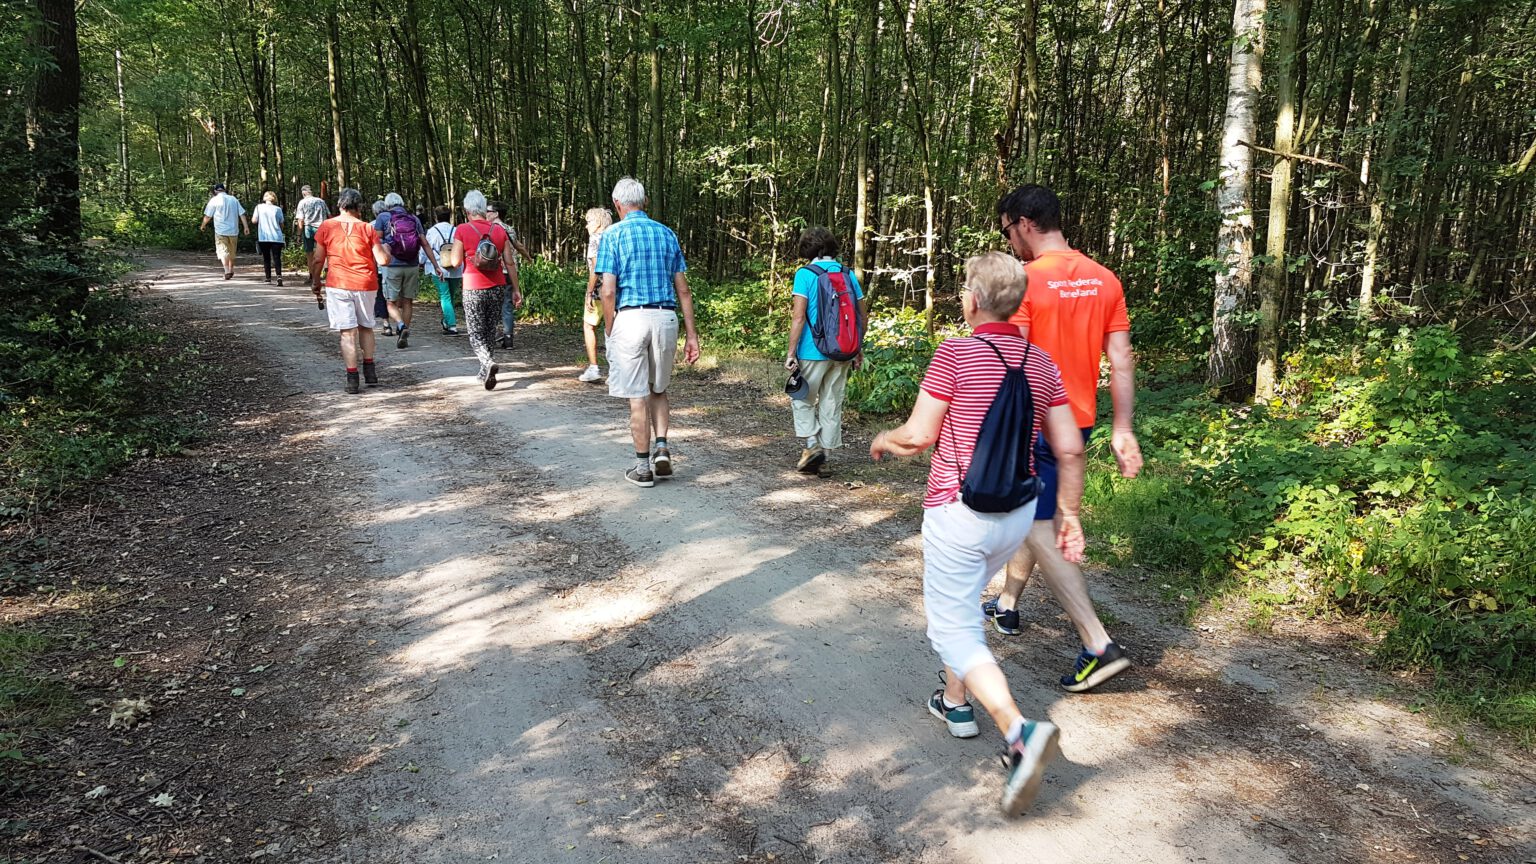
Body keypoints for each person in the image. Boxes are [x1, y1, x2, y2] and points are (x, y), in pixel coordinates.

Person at [870, 251, 1084, 817]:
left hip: (959, 511)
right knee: (964, 604)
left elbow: (919, 436)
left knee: (954, 628)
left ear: (972, 300)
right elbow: (1069, 446)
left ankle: (1019, 732)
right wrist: (1071, 514)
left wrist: (884, 439)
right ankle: (956, 703)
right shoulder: (1041, 362)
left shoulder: (956, 352)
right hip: (1017, 513)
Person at [983, 183, 1143, 693]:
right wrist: (1123, 428)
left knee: (1034, 522)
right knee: (1042, 514)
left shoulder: (1027, 281)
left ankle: (1097, 642)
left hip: (1031, 422)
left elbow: (1011, 358)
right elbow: (1120, 359)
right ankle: (1007, 604)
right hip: (1078, 421)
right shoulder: (1104, 278)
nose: (1010, 242)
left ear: (1025, 223)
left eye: (1009, 231)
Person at [595, 177, 701, 488]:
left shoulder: (612, 235)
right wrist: (692, 335)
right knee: (659, 389)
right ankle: (662, 446)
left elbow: (608, 291)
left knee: (637, 397)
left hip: (630, 318)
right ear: (645, 202)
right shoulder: (667, 234)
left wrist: (611, 328)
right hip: (666, 318)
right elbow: (684, 290)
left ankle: (643, 469)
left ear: (617, 205)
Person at [784, 227, 866, 475]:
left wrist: (791, 352)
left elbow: (798, 318)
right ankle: (825, 456)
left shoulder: (805, 274)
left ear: (807, 249)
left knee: (802, 398)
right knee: (832, 402)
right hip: (843, 351)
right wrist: (857, 348)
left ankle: (812, 446)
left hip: (812, 349)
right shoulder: (847, 273)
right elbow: (862, 315)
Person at [308, 188, 390, 394]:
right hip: (366, 284)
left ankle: (352, 378)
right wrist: (387, 253)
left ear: (340, 205)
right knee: (366, 327)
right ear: (359, 207)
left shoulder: (327, 226)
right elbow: (382, 260)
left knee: (347, 332)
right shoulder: (367, 229)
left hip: (338, 284)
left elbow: (318, 258)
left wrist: (316, 281)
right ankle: (370, 370)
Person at [440, 190, 520, 389]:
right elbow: (509, 263)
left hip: (473, 287)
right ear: (484, 210)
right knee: (490, 329)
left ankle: (487, 362)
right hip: (498, 286)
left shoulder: (462, 229)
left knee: (475, 333)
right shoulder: (499, 230)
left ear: (467, 210)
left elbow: (456, 261)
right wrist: (516, 290)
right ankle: (484, 371)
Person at [373, 192, 439, 349]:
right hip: (412, 265)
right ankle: (405, 332)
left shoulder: (382, 217)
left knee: (390, 302)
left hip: (391, 266)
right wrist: (436, 265)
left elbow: (375, 240)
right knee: (408, 301)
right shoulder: (414, 219)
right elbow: (425, 243)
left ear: (388, 205)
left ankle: (401, 325)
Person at [486, 201, 532, 349]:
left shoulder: (489, 229)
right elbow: (518, 245)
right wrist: (529, 258)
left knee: (490, 303)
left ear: (496, 213)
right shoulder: (509, 228)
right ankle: (508, 339)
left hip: (494, 270)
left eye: (488, 211)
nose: (485, 213)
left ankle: (491, 335)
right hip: (509, 271)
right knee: (507, 305)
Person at [578, 207, 613, 382]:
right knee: (612, 329)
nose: (586, 225)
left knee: (589, 326)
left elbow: (596, 268)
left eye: (589, 221)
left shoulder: (595, 239)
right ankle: (616, 370)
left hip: (599, 291)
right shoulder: (615, 236)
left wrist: (589, 292)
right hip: (616, 291)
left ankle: (594, 368)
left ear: (598, 222)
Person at [422, 205, 462, 336]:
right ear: (450, 216)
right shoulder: (456, 230)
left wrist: (421, 262)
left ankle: (451, 325)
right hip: (456, 269)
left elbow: (425, 248)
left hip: (439, 268)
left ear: (435, 217)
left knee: (445, 297)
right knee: (450, 295)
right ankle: (447, 321)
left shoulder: (432, 231)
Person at [199, 183, 250, 280]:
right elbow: (241, 214)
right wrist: (246, 227)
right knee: (232, 251)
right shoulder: (233, 199)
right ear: (224, 190)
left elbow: (208, 216)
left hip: (220, 230)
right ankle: (231, 269)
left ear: (215, 191)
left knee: (223, 251)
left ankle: (226, 271)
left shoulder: (214, 200)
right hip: (233, 230)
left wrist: (203, 225)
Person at [251, 191, 286, 286]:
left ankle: (268, 278)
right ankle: (279, 276)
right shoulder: (278, 209)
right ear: (274, 198)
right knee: (277, 257)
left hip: (264, 237)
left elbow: (254, 220)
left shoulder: (259, 207)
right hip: (276, 237)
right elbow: (282, 223)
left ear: (264, 198)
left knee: (266, 258)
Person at [370, 200, 394, 336]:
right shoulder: (394, 223)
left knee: (380, 295)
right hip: (394, 265)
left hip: (377, 266)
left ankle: (386, 324)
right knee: (393, 295)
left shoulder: (369, 226)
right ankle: (401, 324)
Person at [294, 185, 330, 256]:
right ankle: (324, 266)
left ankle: (311, 267)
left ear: (303, 193)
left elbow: (300, 220)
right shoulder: (321, 201)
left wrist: (298, 235)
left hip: (308, 228)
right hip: (321, 228)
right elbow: (329, 215)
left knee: (309, 252)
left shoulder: (302, 202)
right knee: (322, 250)